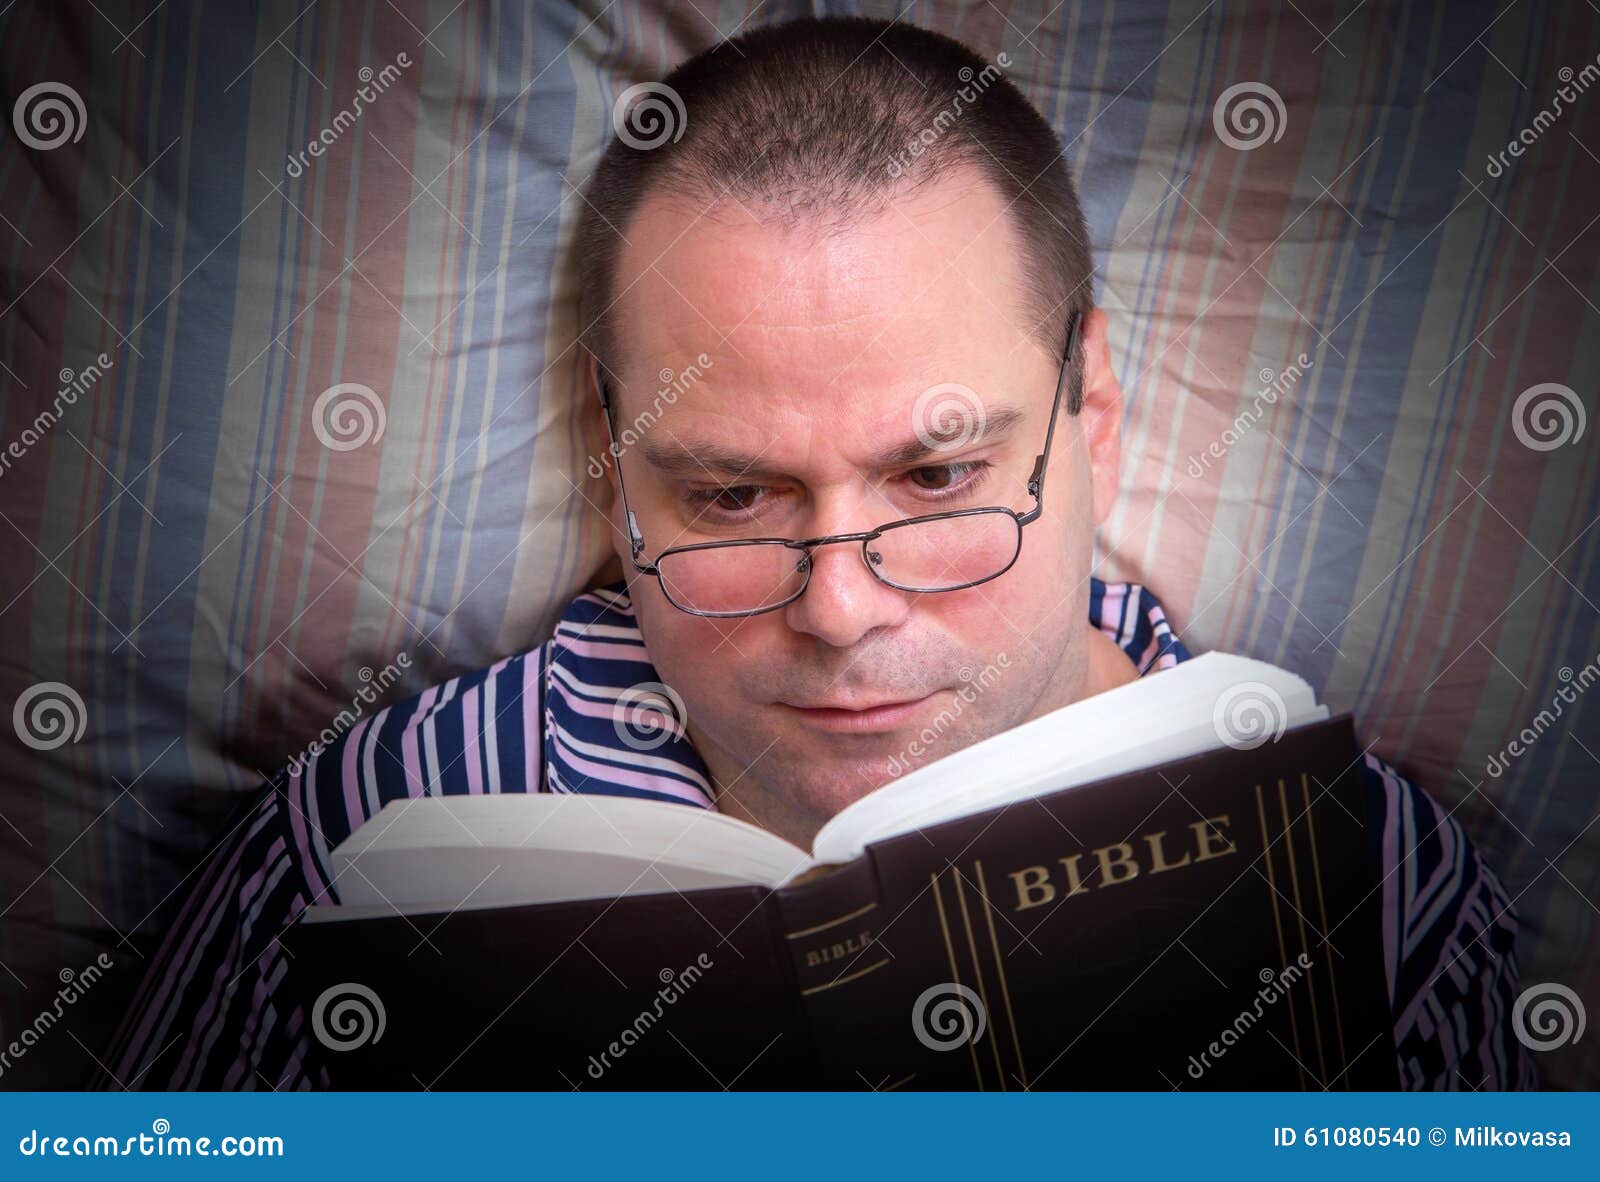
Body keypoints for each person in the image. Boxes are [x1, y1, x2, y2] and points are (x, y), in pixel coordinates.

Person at [102, 15, 1532, 1091]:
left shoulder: (1366, 880)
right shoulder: (377, 838)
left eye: (939, 475)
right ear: (614, 455)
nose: (841, 612)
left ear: (1091, 405)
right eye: (731, 495)